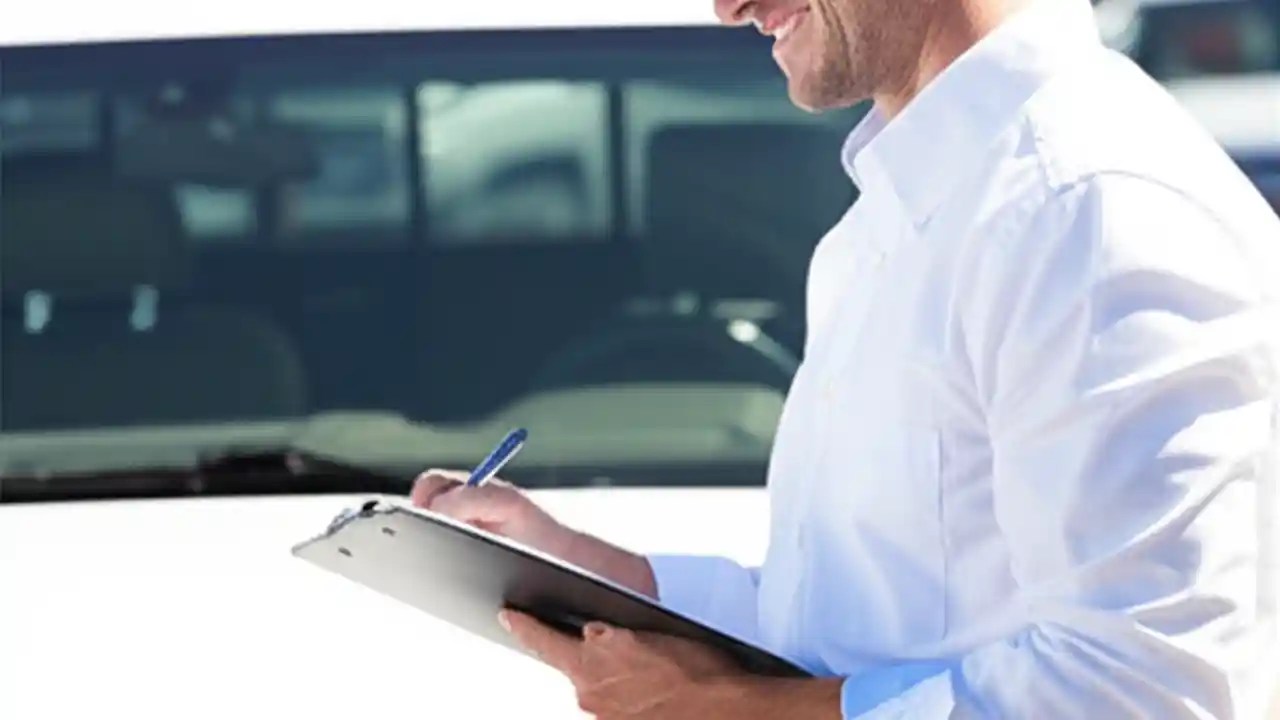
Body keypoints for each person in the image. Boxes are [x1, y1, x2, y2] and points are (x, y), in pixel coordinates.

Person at [411, 0, 1280, 716]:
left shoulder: (1081, 211)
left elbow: (1142, 692)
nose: (728, 8)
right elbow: (858, 617)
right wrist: (585, 570)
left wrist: (730, 708)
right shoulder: (919, 209)